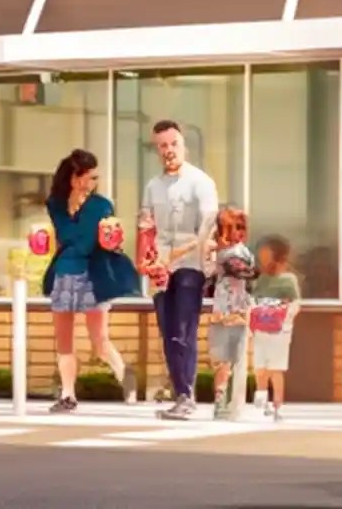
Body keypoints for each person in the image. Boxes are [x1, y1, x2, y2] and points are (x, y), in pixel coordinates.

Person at [41, 148, 142, 413]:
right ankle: (68, 394)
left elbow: (89, 241)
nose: (93, 182)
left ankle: (123, 373)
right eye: (89, 176)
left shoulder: (101, 205)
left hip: (92, 274)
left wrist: (108, 239)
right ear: (74, 177)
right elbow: (66, 236)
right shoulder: (55, 205)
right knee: (63, 338)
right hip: (64, 272)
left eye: (96, 177)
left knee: (98, 339)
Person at [138, 120, 220, 421]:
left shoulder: (201, 182)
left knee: (184, 331)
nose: (168, 150)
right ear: (156, 149)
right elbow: (146, 226)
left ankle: (187, 395)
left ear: (183, 145)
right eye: (162, 145)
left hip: (189, 266)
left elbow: (209, 229)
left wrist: (182, 253)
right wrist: (146, 261)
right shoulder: (152, 186)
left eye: (173, 144)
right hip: (161, 269)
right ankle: (180, 394)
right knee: (168, 332)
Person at [208, 206, 256, 420]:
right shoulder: (222, 253)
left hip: (241, 309)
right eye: (234, 227)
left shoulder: (244, 251)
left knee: (238, 359)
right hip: (224, 310)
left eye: (241, 227)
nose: (239, 231)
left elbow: (250, 273)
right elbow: (242, 270)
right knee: (223, 359)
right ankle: (220, 401)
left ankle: (235, 404)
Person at [250, 234, 300, 422]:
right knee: (260, 367)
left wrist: (286, 319)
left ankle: (277, 405)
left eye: (266, 255)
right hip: (261, 328)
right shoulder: (261, 280)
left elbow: (295, 303)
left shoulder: (288, 280)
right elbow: (253, 299)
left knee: (276, 368)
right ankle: (261, 402)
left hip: (279, 330)